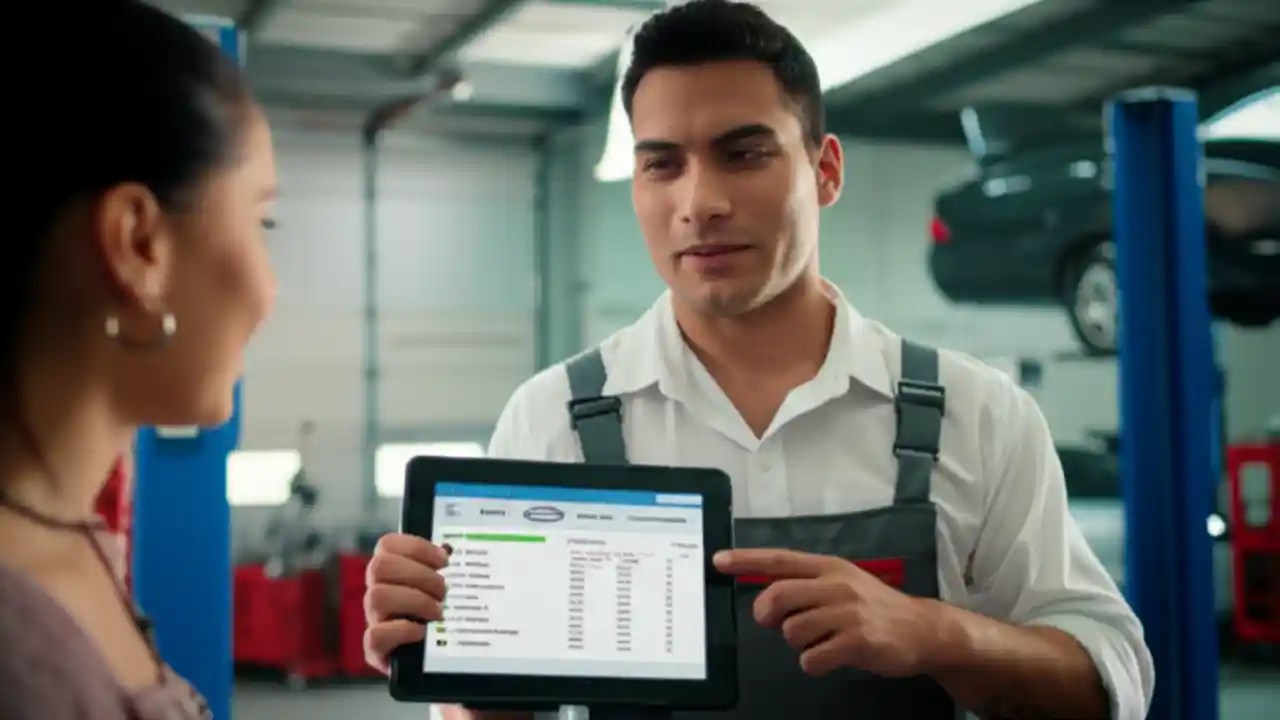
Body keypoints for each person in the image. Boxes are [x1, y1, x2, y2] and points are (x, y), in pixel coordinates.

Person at [363, 1, 1154, 718]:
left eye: (743, 154)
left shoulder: (974, 414)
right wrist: (455, 666)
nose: (699, 201)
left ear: (826, 169)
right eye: (661, 162)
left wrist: (937, 632)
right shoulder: (552, 421)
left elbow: (1107, 682)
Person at [0, 2, 278, 718]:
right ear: (138, 244)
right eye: (260, 220)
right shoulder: (20, 657)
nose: (267, 292)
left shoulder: (75, 541)